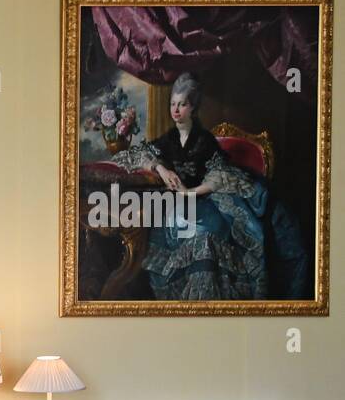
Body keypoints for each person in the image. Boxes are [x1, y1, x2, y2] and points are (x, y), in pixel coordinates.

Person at [114, 72, 309, 301]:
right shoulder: (168, 139)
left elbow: (218, 176)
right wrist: (160, 168)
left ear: (193, 108)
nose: (176, 110)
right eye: (173, 104)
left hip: (204, 202)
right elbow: (141, 155)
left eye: (182, 104)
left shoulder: (204, 140)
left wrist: (189, 192)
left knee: (206, 237)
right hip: (175, 208)